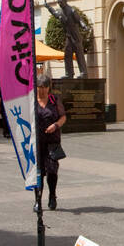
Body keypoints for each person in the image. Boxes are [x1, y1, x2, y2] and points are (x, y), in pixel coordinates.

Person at [35, 74, 67, 210]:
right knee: (38, 172)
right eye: (39, 87)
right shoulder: (32, 101)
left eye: (44, 87)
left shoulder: (54, 100)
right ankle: (38, 200)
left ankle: (52, 195)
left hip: (52, 142)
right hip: (37, 142)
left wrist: (56, 125)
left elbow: (63, 117)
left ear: (49, 88)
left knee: (52, 170)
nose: (42, 90)